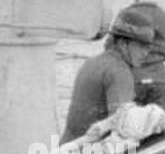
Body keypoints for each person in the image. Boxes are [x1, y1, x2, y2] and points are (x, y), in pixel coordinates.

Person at [61, 9, 153, 143]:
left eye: (148, 47)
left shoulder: (92, 62)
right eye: (142, 46)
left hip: (65, 151)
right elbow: (122, 127)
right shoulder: (119, 72)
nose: (146, 53)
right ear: (123, 43)